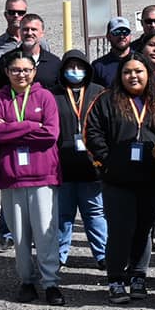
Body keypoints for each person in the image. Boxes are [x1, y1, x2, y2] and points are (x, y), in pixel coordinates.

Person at [0, 50, 62, 303]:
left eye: (26, 70)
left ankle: (50, 282)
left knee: (45, 233)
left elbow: (50, 134)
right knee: (19, 235)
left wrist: (11, 129)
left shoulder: (45, 97)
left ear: (34, 72)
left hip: (43, 175)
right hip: (11, 176)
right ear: (7, 73)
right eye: (16, 70)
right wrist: (30, 125)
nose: (21, 74)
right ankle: (26, 280)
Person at [87, 55, 155, 304]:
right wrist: (107, 162)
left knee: (144, 229)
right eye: (127, 72)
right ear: (120, 75)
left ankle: (138, 276)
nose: (133, 76)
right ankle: (116, 279)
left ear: (148, 74)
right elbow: (92, 133)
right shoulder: (106, 100)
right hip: (117, 180)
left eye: (139, 71)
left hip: (150, 179)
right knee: (120, 230)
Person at [51, 49, 107, 295]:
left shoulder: (98, 92)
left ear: (87, 68)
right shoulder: (53, 94)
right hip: (62, 165)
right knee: (63, 215)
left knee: (95, 212)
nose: (75, 71)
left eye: (80, 66)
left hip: (91, 167)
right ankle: (59, 255)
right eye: (70, 67)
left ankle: (103, 254)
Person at [92, 16, 136, 87]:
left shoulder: (140, 61)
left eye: (125, 32)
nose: (122, 36)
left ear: (130, 36)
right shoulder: (98, 66)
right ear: (108, 36)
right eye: (117, 32)